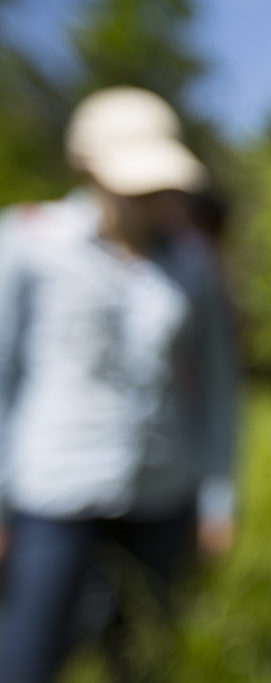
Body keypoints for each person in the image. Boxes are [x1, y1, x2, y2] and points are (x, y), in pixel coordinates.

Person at [0, 86, 237, 682]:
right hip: (53, 490)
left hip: (163, 492)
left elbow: (215, 386)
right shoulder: (28, 243)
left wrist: (218, 497)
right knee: (28, 657)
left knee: (142, 658)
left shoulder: (194, 264)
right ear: (86, 168)